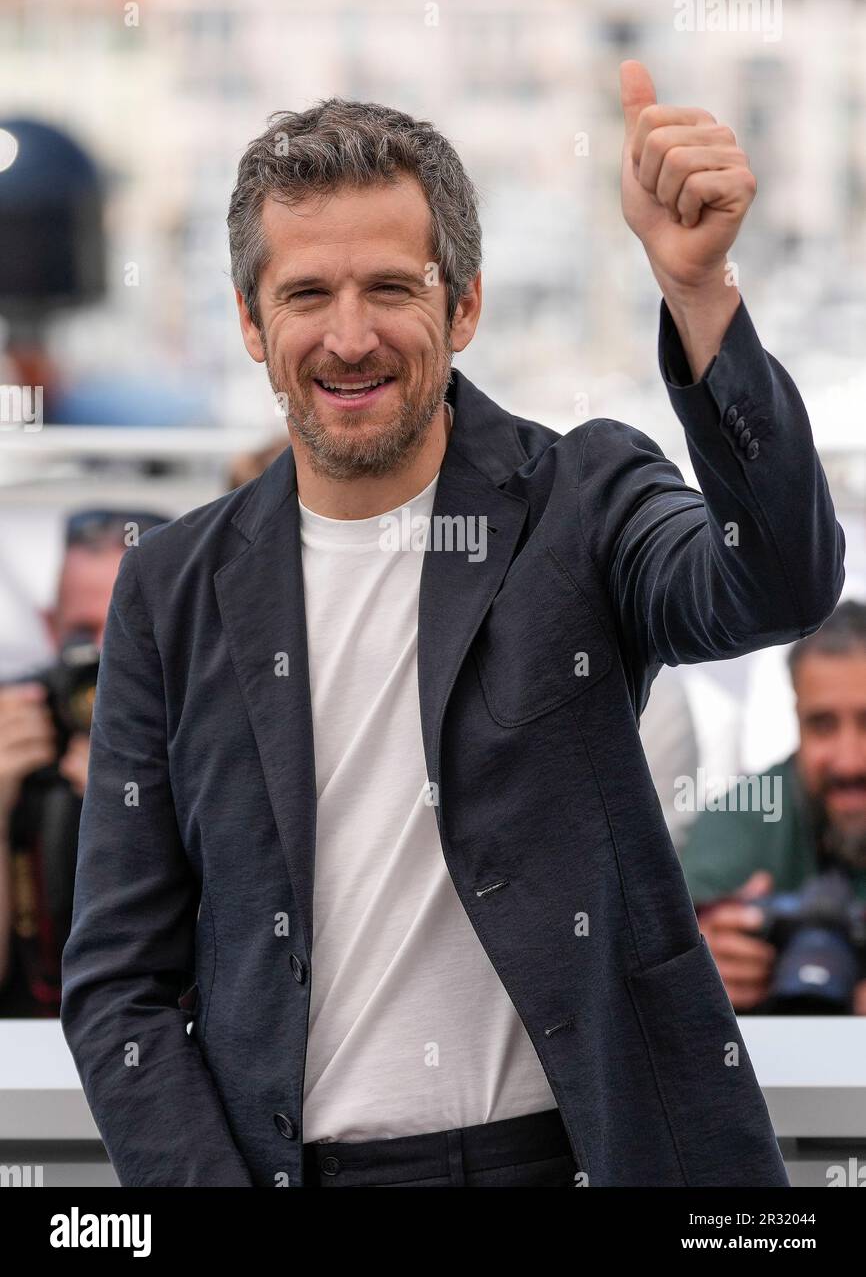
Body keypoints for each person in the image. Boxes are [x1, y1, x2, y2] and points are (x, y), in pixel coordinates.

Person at [60, 62, 844, 1188]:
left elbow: (776, 581)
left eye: (390, 287)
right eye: (304, 294)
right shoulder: (171, 587)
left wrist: (700, 290)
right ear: (248, 321)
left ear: (460, 303)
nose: (348, 338)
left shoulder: (582, 499)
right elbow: (119, 982)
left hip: (581, 1160)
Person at [0, 508, 169, 1015]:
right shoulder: (17, 722)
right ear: (49, 629)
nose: (103, 664)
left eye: (130, 629)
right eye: (83, 633)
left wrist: (145, 808)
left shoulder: (219, 734)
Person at [681, 601, 866, 1014]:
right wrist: (697, 964)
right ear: (795, 719)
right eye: (822, 725)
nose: (850, 761)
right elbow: (643, 956)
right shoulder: (745, 815)